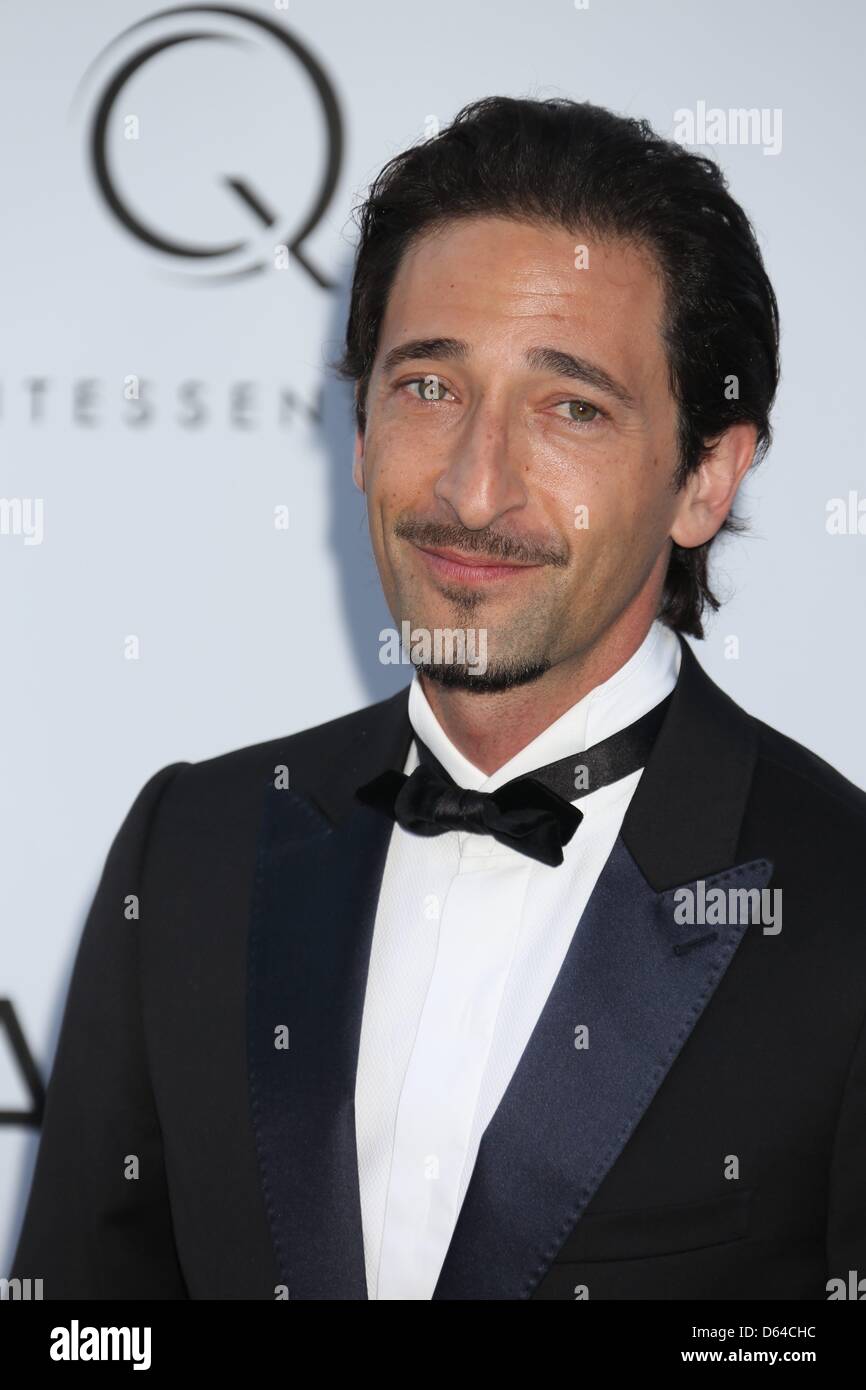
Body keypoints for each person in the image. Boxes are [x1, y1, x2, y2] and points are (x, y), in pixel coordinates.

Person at [10, 96, 866, 1301]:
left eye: (570, 407)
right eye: (426, 388)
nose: (474, 488)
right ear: (356, 427)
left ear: (704, 478)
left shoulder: (840, 907)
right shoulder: (192, 845)